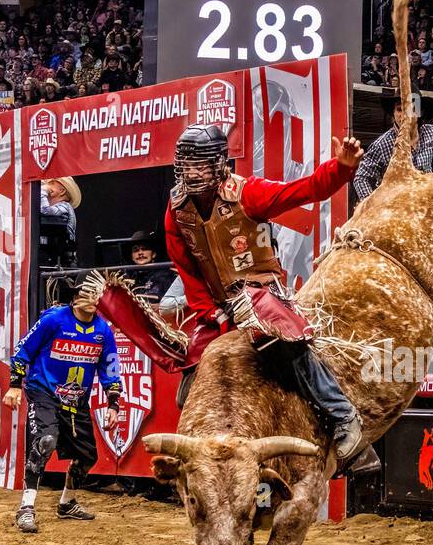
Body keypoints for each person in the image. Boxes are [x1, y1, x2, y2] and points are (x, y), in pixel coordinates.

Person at [149, 123, 367, 465]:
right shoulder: (176, 210)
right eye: (186, 165)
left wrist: (340, 168)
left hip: (261, 294)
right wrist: (209, 311)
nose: (192, 173)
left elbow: (302, 191)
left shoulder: (247, 193)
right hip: (219, 307)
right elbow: (187, 269)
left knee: (286, 349)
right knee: (189, 385)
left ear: (219, 163)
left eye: (200, 164)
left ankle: (343, 415)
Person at [2, 284, 122, 533]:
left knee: (88, 456)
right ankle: (26, 507)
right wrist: (14, 384)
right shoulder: (54, 319)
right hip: (43, 390)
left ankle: (67, 503)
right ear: (74, 298)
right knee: (45, 440)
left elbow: (110, 368)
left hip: (76, 399)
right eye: (84, 294)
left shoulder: (103, 330)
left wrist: (113, 404)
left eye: (94, 295)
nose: (90, 300)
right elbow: (23, 349)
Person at [353, 89, 433, 200]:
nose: (404, 115)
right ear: (393, 113)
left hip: (425, 200)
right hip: (396, 204)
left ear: (419, 112)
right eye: (399, 110)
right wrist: (374, 206)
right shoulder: (381, 145)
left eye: (410, 109)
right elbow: (361, 177)